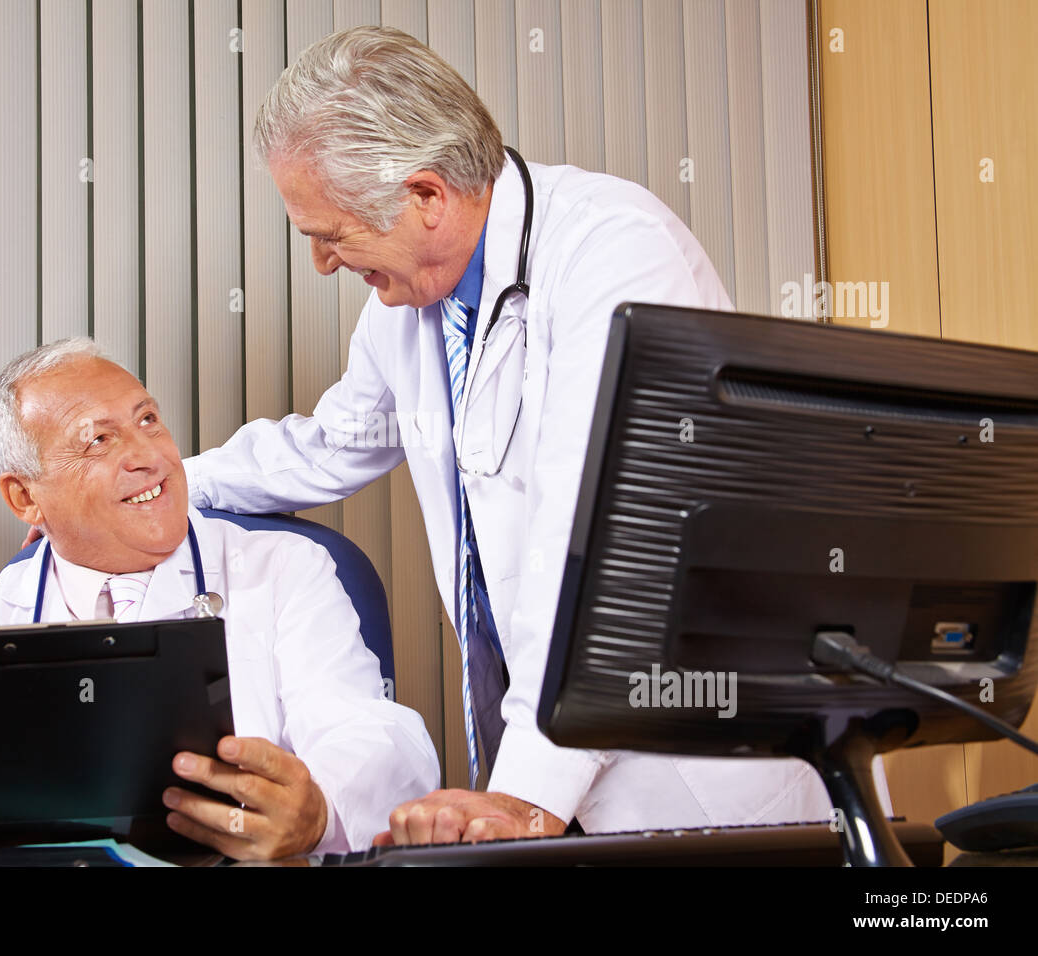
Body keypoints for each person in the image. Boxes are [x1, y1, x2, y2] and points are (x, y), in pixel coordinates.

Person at [184, 25, 844, 844]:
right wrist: (173, 486)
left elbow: (607, 540)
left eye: (330, 235)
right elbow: (331, 444)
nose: (322, 262)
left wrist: (528, 791)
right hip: (548, 768)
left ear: (426, 196)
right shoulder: (408, 307)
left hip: (687, 772)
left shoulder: (614, 253)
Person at [0, 337, 439, 860]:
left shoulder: (283, 570)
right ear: (24, 500)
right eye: (98, 440)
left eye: (148, 419)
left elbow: (376, 738)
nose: (149, 455)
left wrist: (320, 811)